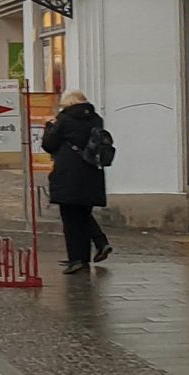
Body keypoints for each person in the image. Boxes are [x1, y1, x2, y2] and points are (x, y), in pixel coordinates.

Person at [41, 90, 116, 272]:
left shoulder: (64, 120)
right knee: (83, 213)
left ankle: (77, 259)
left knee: (71, 219)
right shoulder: (96, 119)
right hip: (91, 173)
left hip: (69, 174)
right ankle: (92, 250)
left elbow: (49, 144)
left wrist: (49, 128)